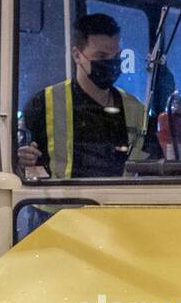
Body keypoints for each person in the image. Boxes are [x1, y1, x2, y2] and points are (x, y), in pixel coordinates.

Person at [17, 13, 157, 179]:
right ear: (77, 55)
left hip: (119, 203)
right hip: (63, 205)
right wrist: (23, 162)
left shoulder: (135, 109)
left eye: (116, 56)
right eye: (101, 56)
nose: (111, 63)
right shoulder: (42, 105)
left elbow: (152, 165)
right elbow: (26, 167)